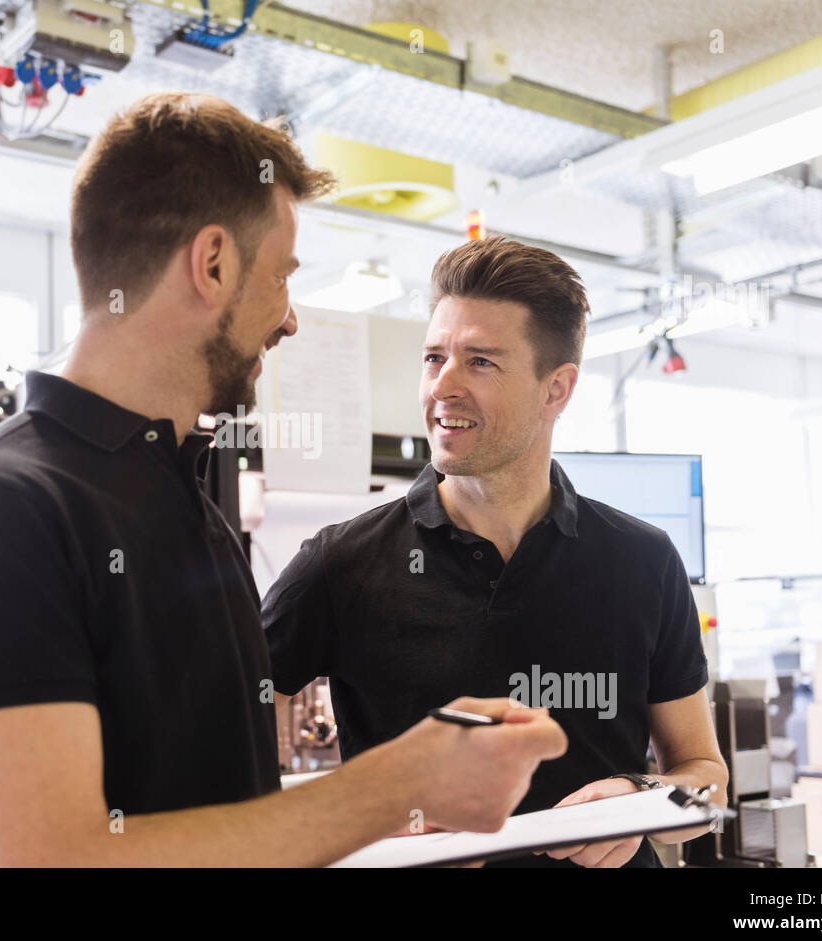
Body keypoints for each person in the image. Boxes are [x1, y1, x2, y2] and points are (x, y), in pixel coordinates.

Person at [0, 94, 567, 867]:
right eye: (281, 278)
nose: (289, 322)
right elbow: (58, 858)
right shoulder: (1, 512)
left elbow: (206, 813)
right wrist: (391, 783)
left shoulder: (188, 501)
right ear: (212, 264)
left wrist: (380, 827)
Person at [262, 235, 728, 868]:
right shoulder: (338, 563)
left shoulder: (642, 560)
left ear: (555, 389)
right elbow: (217, 756)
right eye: (434, 358)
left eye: (480, 361)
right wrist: (355, 821)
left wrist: (642, 796)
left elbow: (704, 778)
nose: (441, 387)